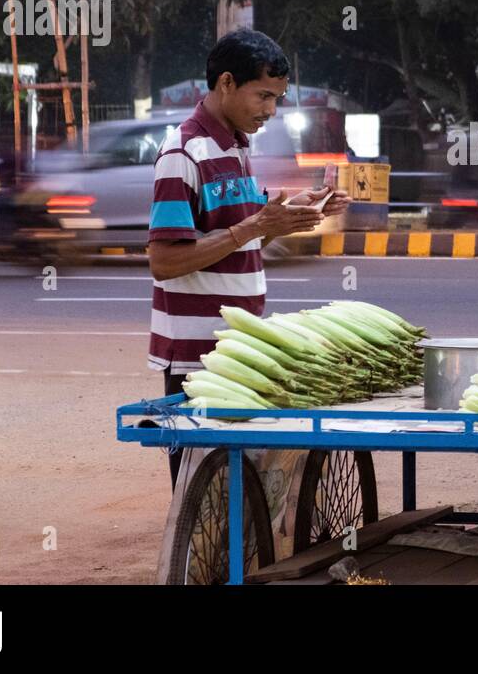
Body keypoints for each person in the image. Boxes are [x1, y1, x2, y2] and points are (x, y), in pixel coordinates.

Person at [147, 29, 351, 488]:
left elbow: (241, 221)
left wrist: (302, 204)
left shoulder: (236, 145)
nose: (270, 110)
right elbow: (164, 261)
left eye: (276, 99)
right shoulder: (183, 153)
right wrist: (257, 227)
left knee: (238, 494)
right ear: (225, 83)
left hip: (235, 349)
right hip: (197, 362)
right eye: (263, 96)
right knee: (200, 496)